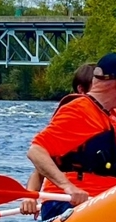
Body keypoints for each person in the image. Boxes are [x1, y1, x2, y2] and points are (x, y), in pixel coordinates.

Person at [26, 52, 116, 221]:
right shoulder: (78, 111)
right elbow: (36, 151)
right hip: (70, 205)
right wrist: (68, 187)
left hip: (108, 201)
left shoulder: (114, 115)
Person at [20, 63, 98, 213]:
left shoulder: (112, 119)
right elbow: (39, 170)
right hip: (63, 201)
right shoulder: (70, 119)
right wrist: (29, 197)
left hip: (97, 197)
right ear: (81, 89)